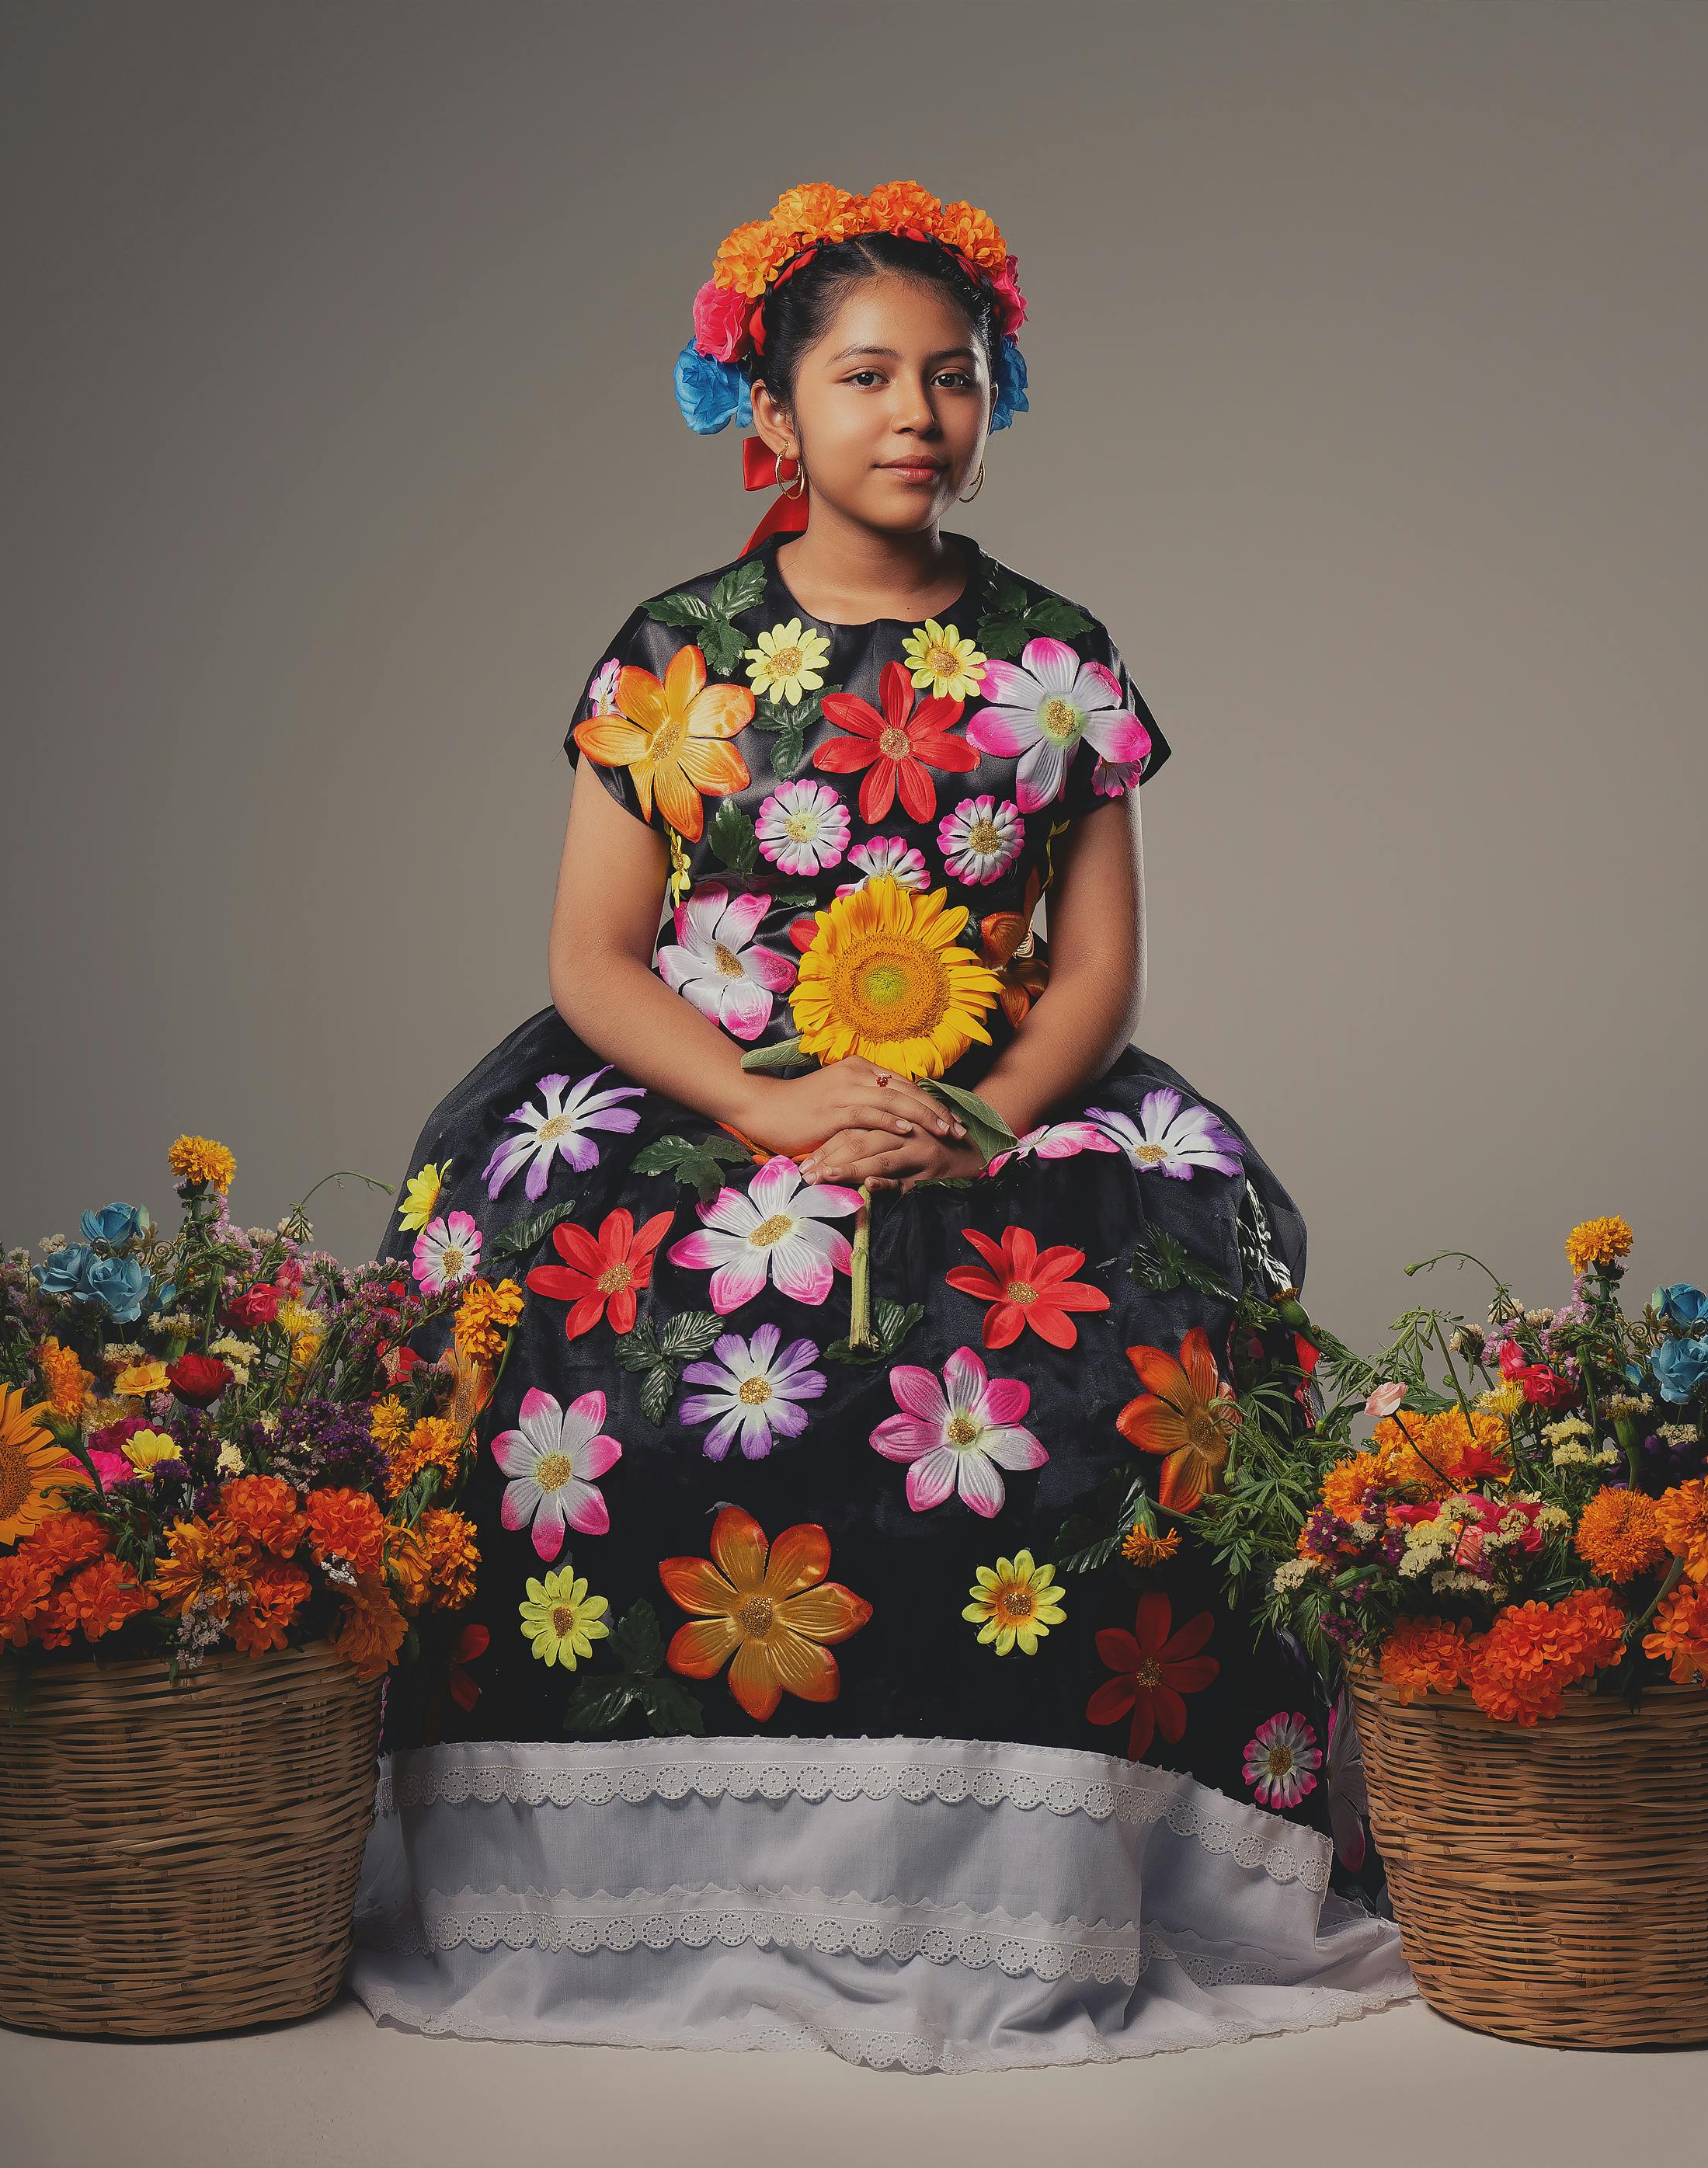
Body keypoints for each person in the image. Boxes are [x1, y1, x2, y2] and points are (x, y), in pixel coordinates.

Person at [350, 180, 1411, 2069]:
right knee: (594, 1365)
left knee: (1118, 1384)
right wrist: (766, 1103)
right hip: (706, 1087)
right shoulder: (672, 656)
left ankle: (1042, 1875)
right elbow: (596, 959)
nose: (915, 411)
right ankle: (612, 1871)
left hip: (991, 1104)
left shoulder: (1053, 661)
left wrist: (977, 1121)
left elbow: (1094, 979)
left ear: (995, 401)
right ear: (768, 411)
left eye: (953, 374)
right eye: (864, 375)